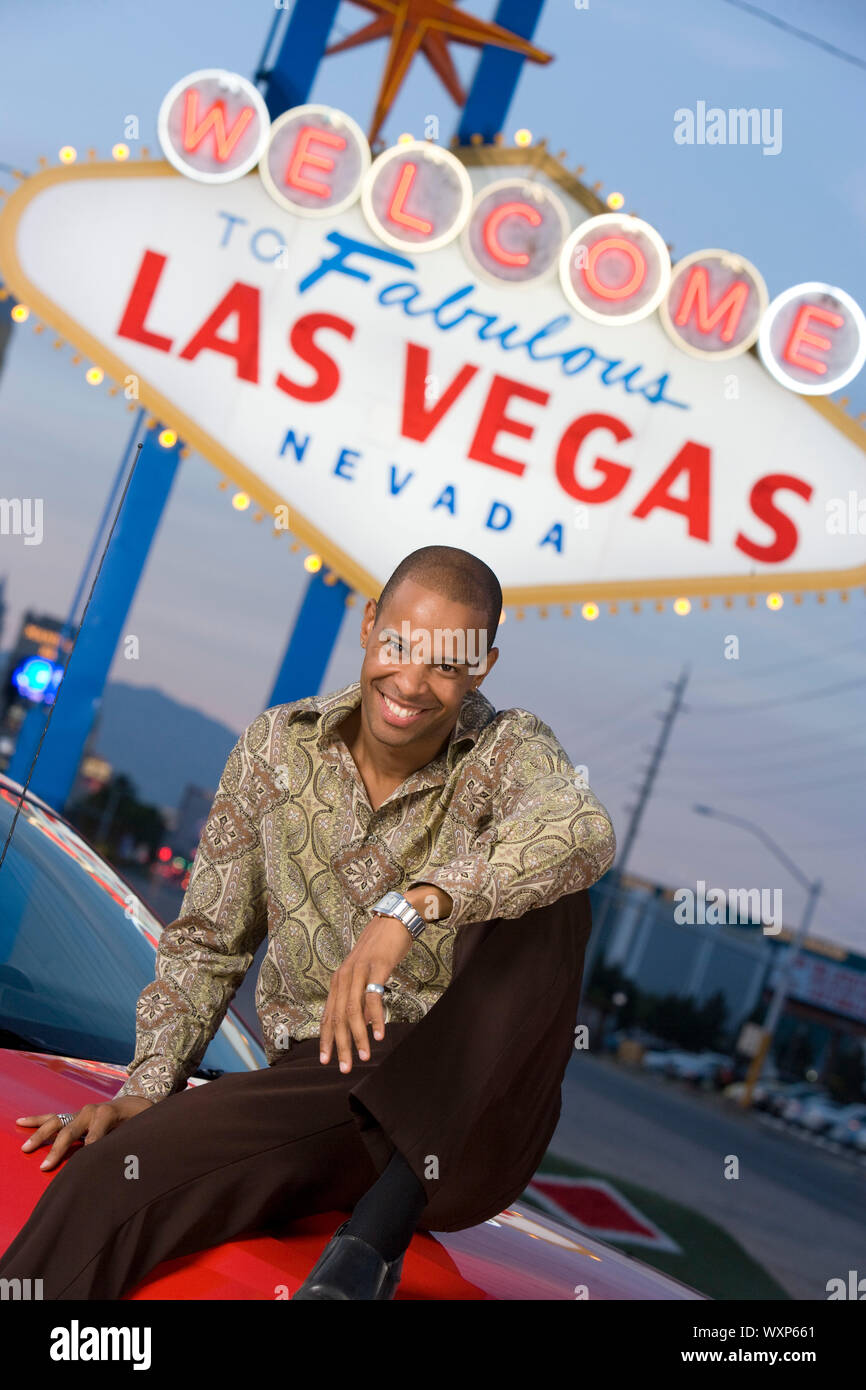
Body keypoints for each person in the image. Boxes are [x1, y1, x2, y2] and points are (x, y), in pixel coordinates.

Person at [0, 545, 616, 1301]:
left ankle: (373, 1240)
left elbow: (582, 828)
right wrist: (148, 1085)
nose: (412, 683)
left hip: (469, 1108)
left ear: (482, 666)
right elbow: (209, 940)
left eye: (447, 665)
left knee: (555, 885)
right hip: (327, 1082)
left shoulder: (507, 751)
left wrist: (410, 907)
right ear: (368, 626)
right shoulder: (277, 748)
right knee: (107, 1182)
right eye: (398, 646)